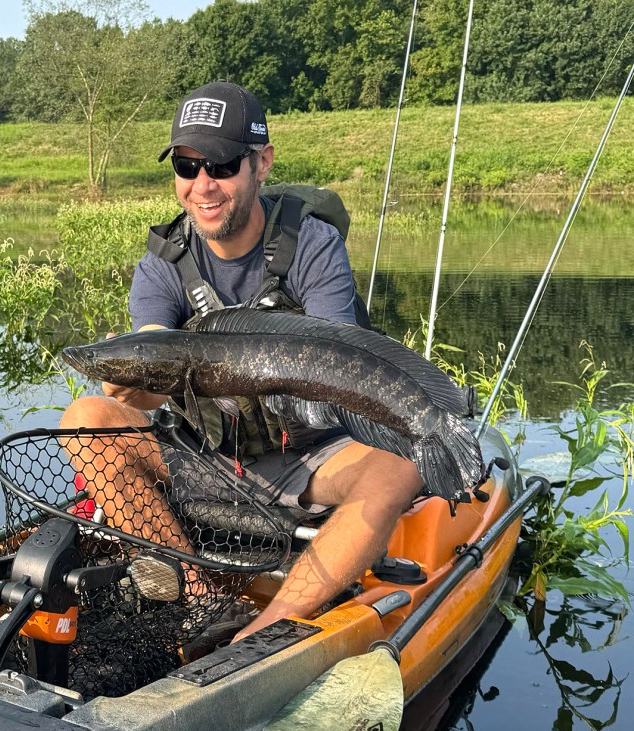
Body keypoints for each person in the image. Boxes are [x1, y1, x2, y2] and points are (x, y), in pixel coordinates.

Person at [60, 81, 423, 639]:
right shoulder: (162, 265)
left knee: (399, 466)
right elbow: (156, 352)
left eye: (223, 164)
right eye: (186, 165)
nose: (202, 185)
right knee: (87, 419)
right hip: (204, 455)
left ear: (262, 163)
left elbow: (340, 362)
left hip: (308, 458)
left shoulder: (312, 245)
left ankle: (268, 628)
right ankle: (200, 597)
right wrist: (135, 389)